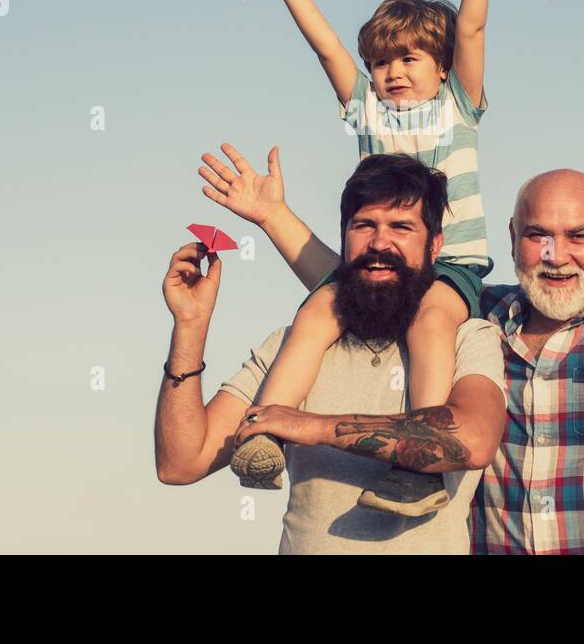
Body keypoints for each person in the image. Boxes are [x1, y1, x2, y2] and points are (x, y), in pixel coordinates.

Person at [195, 92, 584, 552]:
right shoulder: (477, 321)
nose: (557, 256)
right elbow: (372, 272)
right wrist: (273, 217)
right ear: (511, 239)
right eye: (538, 236)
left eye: (578, 236)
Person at [226, 0, 503, 515]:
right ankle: (268, 431)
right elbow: (326, 50)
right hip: (378, 260)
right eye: (381, 62)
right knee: (317, 311)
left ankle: (420, 466)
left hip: (449, 261)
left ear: (443, 67)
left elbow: (474, 29)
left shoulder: (458, 105)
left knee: (432, 323)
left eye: (409, 59)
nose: (392, 72)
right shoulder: (367, 110)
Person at [155, 153, 507, 554]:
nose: (379, 243)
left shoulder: (467, 340)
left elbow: (473, 440)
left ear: (434, 247)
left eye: (401, 227)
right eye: (364, 226)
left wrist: (310, 426)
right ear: (343, 238)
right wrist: (190, 327)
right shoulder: (293, 346)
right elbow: (180, 463)